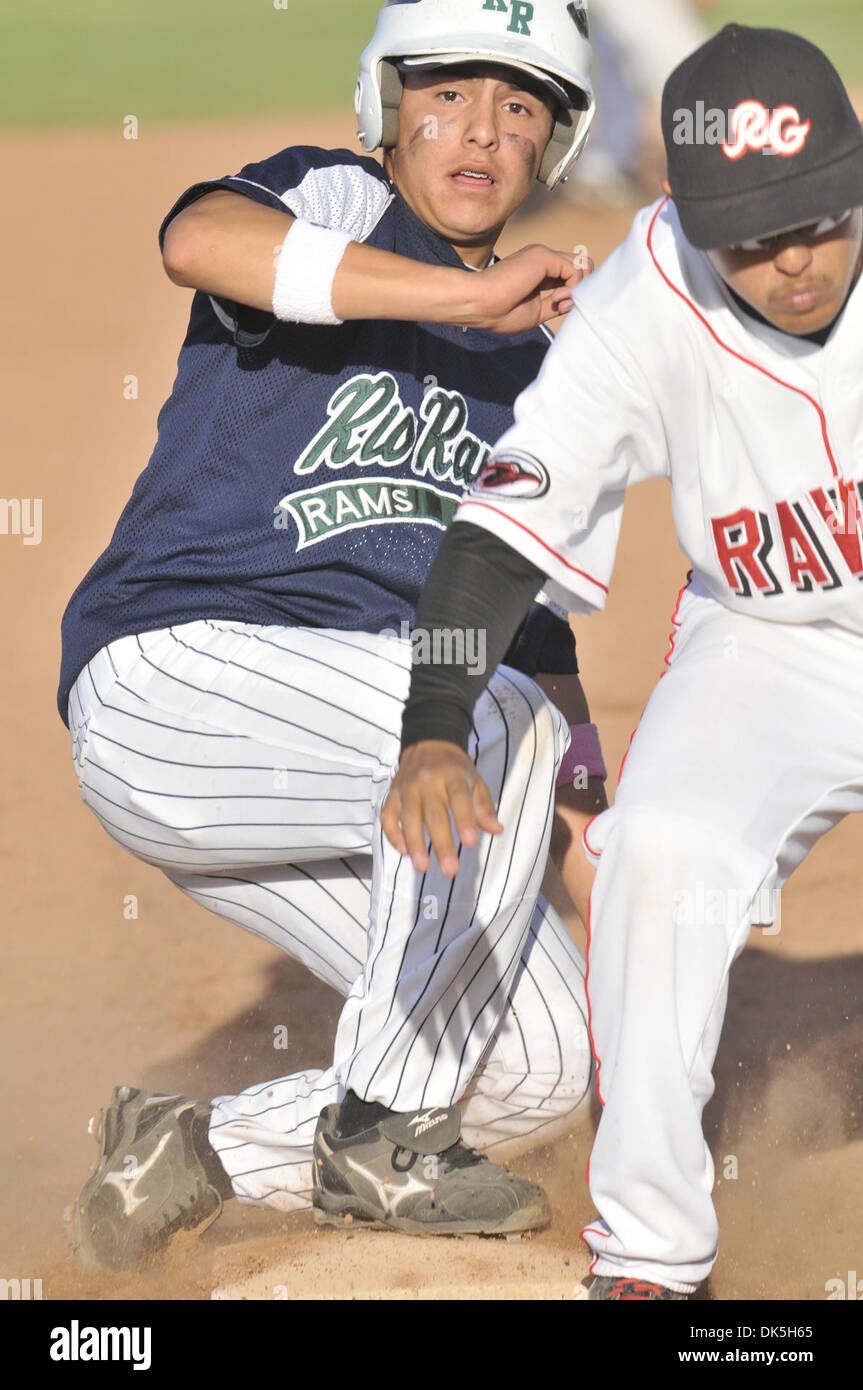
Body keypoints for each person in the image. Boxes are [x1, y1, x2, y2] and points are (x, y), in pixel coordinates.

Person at [60, 0, 608, 1272]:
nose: (482, 127)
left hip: (346, 760)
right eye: (451, 92)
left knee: (540, 1060)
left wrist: (619, 910)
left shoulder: (538, 371)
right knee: (487, 714)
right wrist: (456, 302)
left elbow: (537, 662)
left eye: (521, 105)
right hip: (173, 678)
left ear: (553, 148)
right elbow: (198, 240)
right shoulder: (339, 203)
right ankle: (385, 1131)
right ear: (385, 107)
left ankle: (185, 1151)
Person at [381, 23, 863, 1299]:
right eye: (749, 237)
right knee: (651, 855)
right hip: (773, 644)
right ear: (686, 215)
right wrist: (434, 715)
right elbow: (499, 530)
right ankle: (652, 1255)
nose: (792, 261)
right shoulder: (642, 296)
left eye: (814, 218)